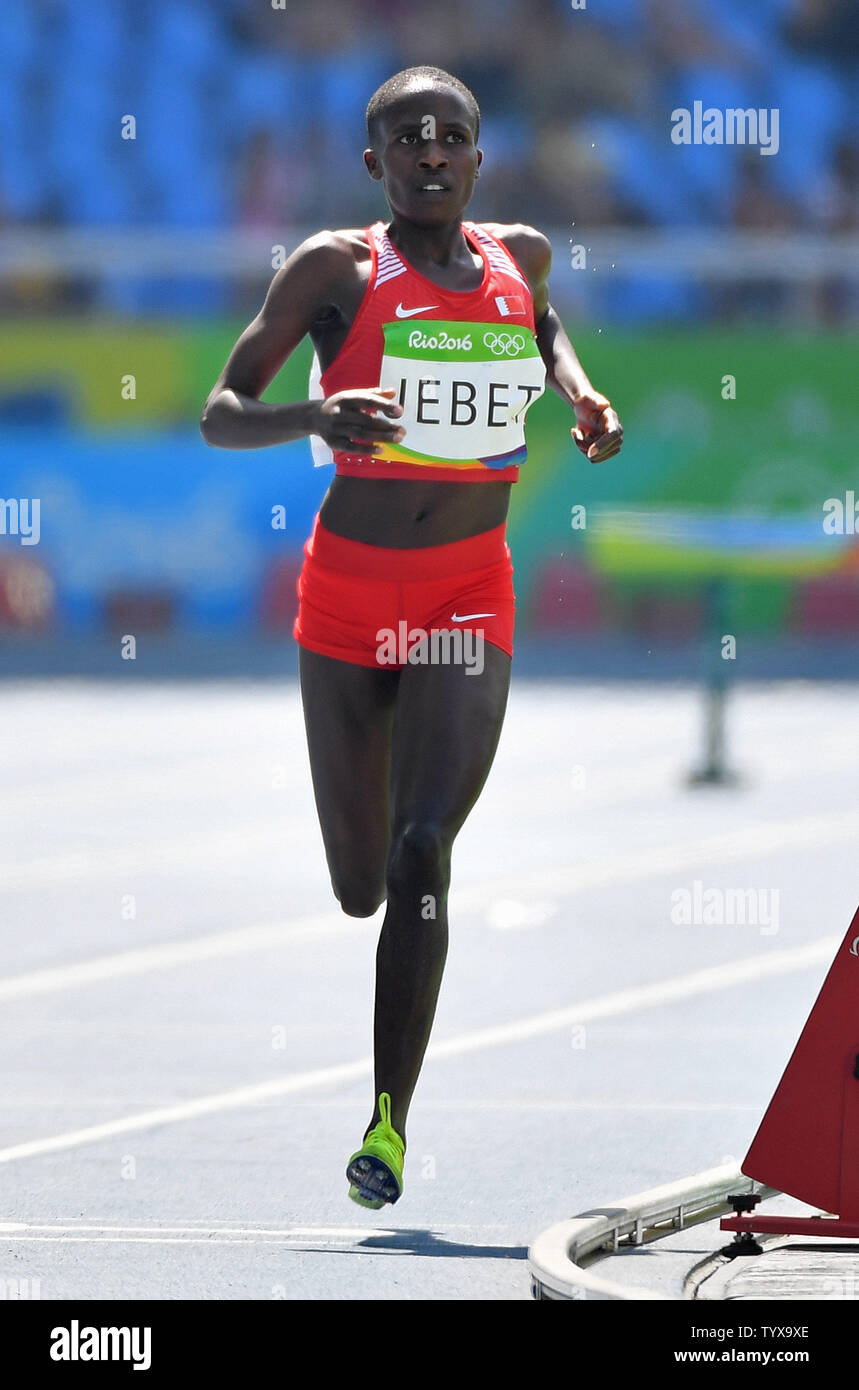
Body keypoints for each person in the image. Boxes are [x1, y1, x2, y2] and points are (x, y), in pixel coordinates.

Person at [200, 65, 623, 1208]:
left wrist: (579, 393)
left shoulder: (517, 257)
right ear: (373, 163)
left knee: (421, 848)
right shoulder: (334, 268)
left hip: (464, 596)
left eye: (452, 138)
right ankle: (376, 846)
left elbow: (540, 330)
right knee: (357, 886)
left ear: (478, 161)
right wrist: (313, 412)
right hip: (346, 597)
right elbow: (220, 411)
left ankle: (387, 1121)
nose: (432, 153)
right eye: (408, 139)